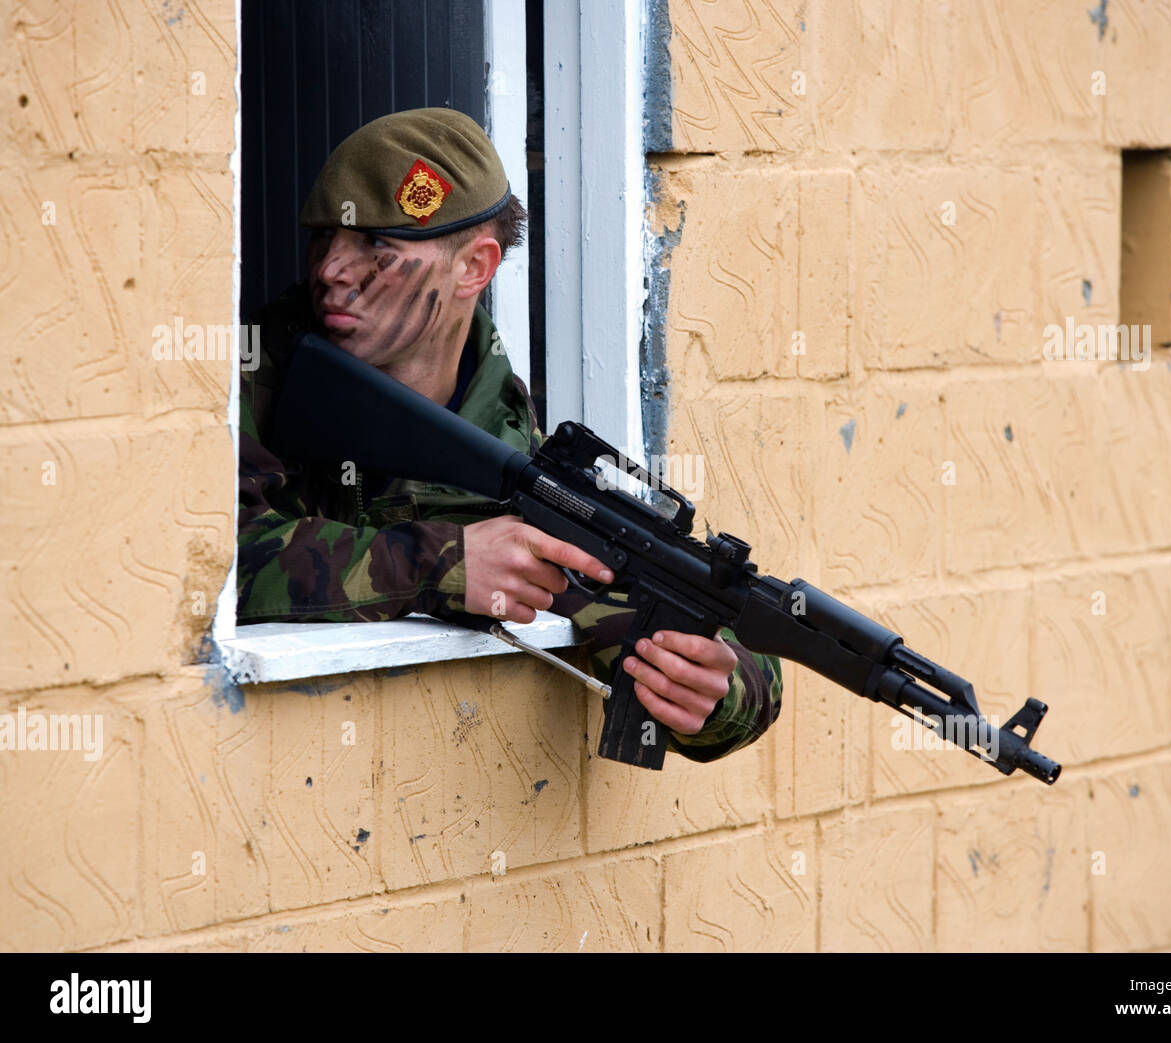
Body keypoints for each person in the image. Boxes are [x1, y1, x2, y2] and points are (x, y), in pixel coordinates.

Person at [237, 107, 781, 762]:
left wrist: (714, 691)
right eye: (325, 238)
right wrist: (434, 562)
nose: (330, 269)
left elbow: (733, 652)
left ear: (474, 268)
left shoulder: (512, 459)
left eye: (375, 248)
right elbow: (207, 569)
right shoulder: (243, 383)